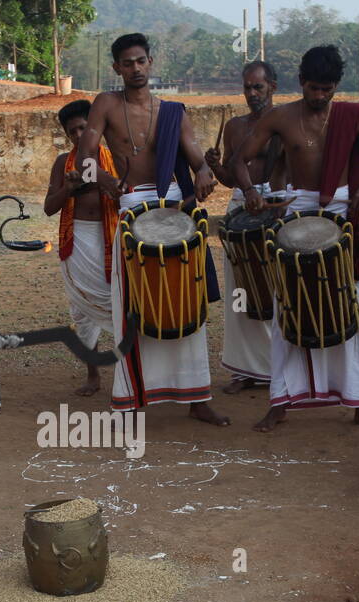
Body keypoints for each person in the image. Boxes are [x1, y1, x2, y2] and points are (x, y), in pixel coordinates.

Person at [236, 45, 359, 433]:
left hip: (342, 214)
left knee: (352, 306)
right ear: (301, 82)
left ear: (336, 85)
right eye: (313, 88)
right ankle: (280, 402)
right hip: (295, 214)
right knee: (288, 304)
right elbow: (240, 159)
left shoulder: (352, 118)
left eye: (327, 89)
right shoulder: (280, 117)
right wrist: (251, 192)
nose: (320, 96)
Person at [76, 33, 227, 426]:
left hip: (173, 206)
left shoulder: (173, 111)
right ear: (117, 68)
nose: (136, 68)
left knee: (186, 298)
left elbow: (197, 159)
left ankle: (197, 397)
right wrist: (105, 180)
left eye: (141, 61)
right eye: (128, 63)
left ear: (151, 62)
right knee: (133, 306)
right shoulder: (106, 104)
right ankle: (131, 397)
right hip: (128, 207)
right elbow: (85, 156)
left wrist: (206, 172)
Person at [206, 60, 285, 395]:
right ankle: (245, 370)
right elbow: (229, 177)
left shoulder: (285, 124)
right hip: (239, 211)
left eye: (259, 87)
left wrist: (270, 200)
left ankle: (277, 369)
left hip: (273, 209)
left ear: (273, 87)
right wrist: (213, 166)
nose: (252, 94)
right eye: (247, 87)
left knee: (273, 289)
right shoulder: (235, 127)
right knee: (240, 290)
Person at [44, 99, 120, 396]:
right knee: (82, 312)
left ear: (95, 128)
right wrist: (69, 188)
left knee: (121, 304)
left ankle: (132, 370)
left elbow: (125, 198)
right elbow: (50, 207)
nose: (78, 136)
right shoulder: (64, 163)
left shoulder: (114, 158)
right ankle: (93, 375)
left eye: (83, 128)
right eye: (71, 131)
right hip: (77, 242)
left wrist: (105, 183)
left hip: (111, 238)